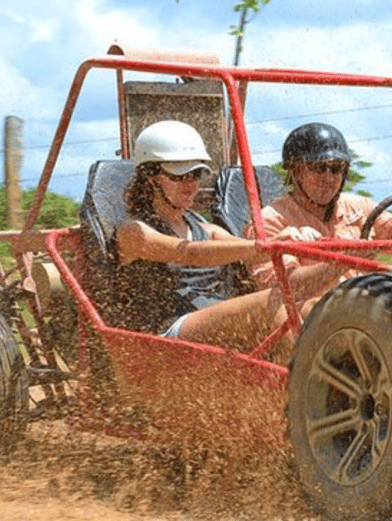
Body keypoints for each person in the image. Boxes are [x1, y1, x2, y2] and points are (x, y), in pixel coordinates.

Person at [108, 119, 316, 350]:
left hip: (211, 319)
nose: (190, 185)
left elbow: (254, 252)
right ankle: (297, 374)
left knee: (313, 307)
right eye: (179, 176)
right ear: (151, 177)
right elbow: (191, 254)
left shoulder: (204, 228)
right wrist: (261, 246)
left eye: (196, 174)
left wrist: (294, 240)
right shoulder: (133, 231)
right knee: (274, 301)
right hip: (163, 336)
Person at [247, 122, 392, 291]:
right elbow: (283, 288)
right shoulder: (269, 221)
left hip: (364, 304)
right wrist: (344, 260)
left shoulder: (358, 207)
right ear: (296, 171)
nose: (328, 178)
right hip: (312, 313)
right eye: (318, 168)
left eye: (336, 169)